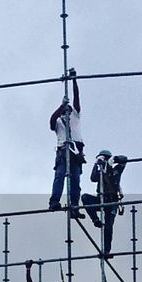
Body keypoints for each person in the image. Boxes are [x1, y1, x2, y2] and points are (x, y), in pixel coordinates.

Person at [48, 70, 85, 217]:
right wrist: (61, 106)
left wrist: (74, 80)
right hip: (63, 150)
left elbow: (77, 97)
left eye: (69, 110)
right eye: (66, 111)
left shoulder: (75, 117)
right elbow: (51, 121)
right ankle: (54, 202)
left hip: (76, 151)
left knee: (75, 180)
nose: (68, 112)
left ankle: (74, 206)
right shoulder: (58, 122)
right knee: (60, 176)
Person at [80, 149, 128, 258]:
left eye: (104, 158)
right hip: (101, 198)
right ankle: (95, 220)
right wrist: (96, 164)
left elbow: (124, 159)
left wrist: (114, 159)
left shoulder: (116, 170)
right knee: (85, 198)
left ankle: (106, 251)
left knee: (108, 226)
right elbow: (93, 178)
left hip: (112, 201)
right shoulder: (100, 172)